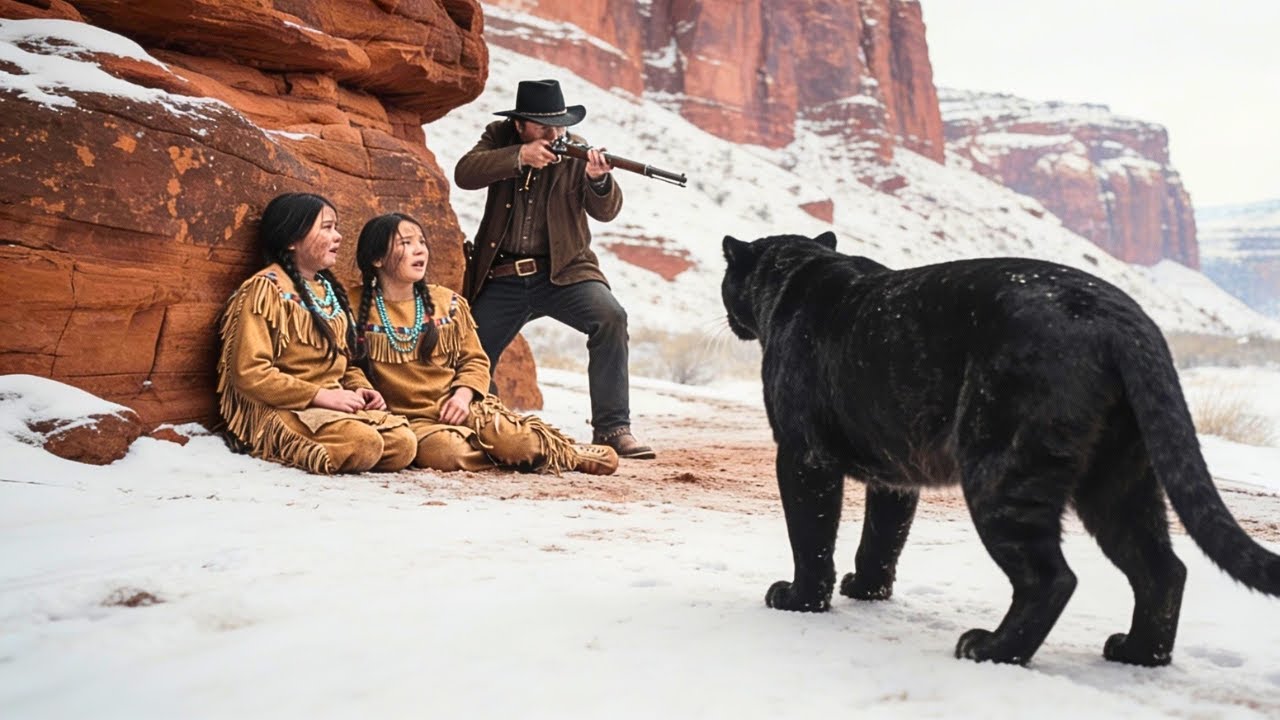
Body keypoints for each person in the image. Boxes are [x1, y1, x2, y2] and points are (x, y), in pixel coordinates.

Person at [454, 78, 656, 460]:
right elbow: (465, 174)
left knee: (610, 317)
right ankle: (489, 425)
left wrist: (599, 180)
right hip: (503, 275)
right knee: (470, 347)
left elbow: (607, 211)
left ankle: (613, 429)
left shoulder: (578, 152)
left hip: (564, 273)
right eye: (544, 127)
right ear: (519, 125)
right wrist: (519, 157)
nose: (556, 133)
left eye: (560, 124)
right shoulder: (499, 138)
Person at [351, 212, 619, 475]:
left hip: (461, 406)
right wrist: (363, 390)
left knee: (517, 440)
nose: (419, 250)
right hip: (409, 422)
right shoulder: (353, 307)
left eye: (421, 241)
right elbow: (344, 365)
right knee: (448, 453)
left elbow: (475, 360)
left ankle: (566, 454)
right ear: (377, 258)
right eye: (405, 244)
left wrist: (463, 396)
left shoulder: (447, 302)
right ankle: (524, 458)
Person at [216, 192, 417, 474]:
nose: (338, 237)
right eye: (327, 227)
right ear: (291, 239)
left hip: (332, 405)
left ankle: (345, 436)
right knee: (364, 443)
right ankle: (279, 444)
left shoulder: (329, 292)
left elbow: (343, 364)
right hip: (285, 408)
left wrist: (362, 389)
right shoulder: (266, 289)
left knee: (403, 444)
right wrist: (320, 395)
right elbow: (250, 373)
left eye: (336, 227)